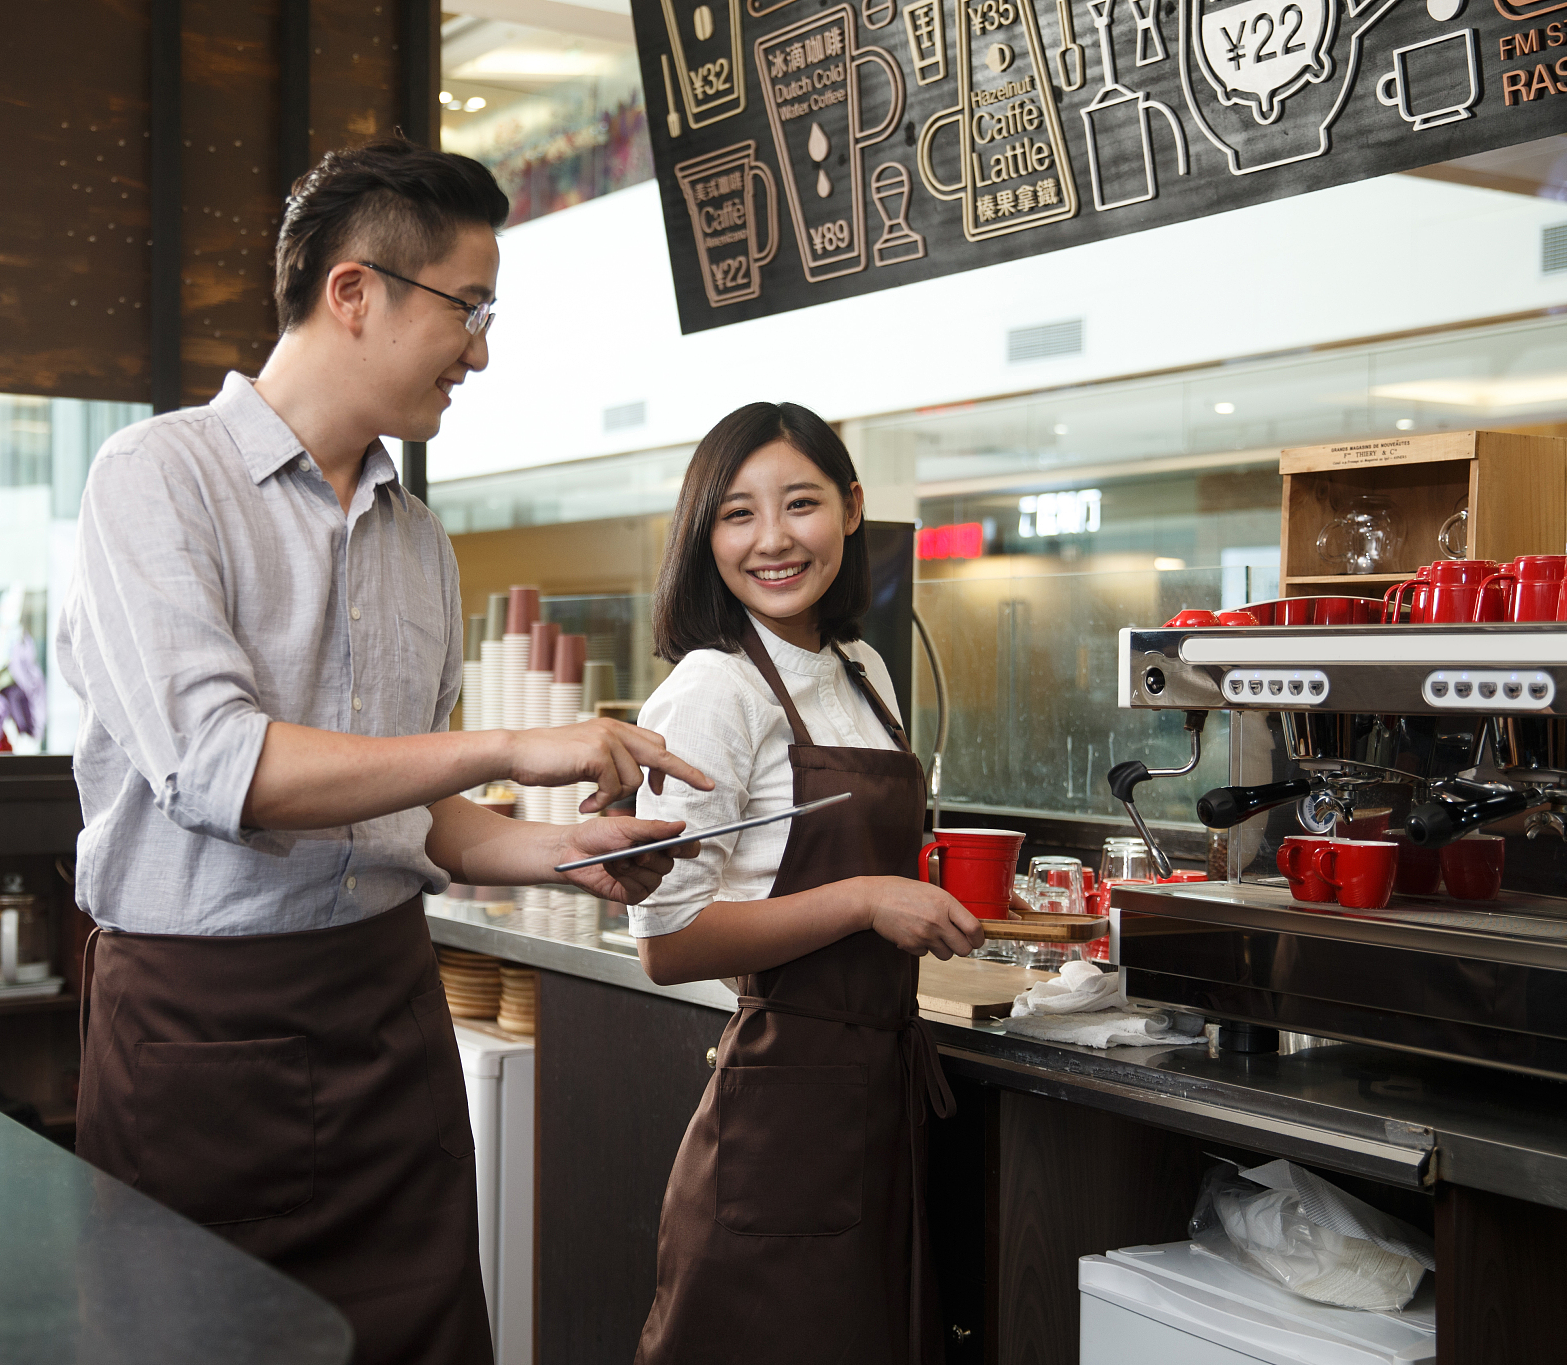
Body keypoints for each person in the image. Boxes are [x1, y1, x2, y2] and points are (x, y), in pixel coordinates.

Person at [59, 138, 710, 1365]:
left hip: (385, 1019)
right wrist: (515, 741)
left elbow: (419, 816)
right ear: (354, 293)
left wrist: (556, 851)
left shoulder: (420, 540)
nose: (481, 350)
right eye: (467, 308)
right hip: (205, 1036)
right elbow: (224, 773)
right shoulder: (156, 479)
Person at [630, 402, 988, 1364]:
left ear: (853, 508)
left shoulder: (863, 668)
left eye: (801, 503)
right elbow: (669, 942)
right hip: (780, 1120)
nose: (774, 539)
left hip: (878, 1099)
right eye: (738, 514)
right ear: (705, 536)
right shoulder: (715, 689)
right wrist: (868, 900)